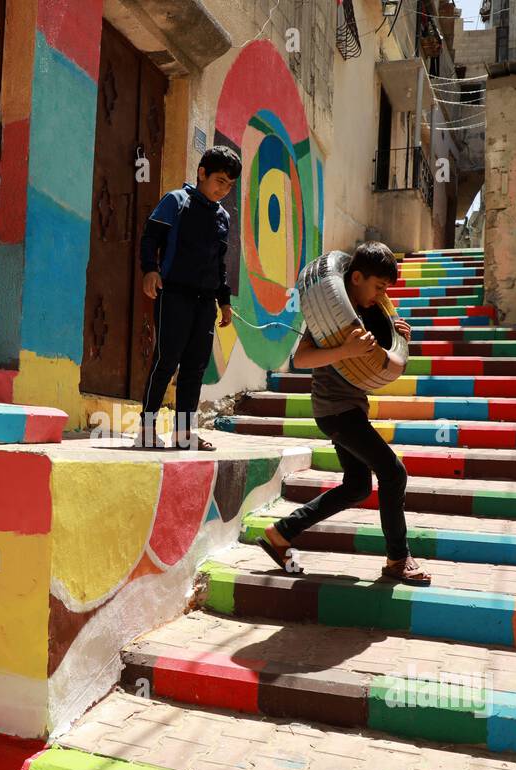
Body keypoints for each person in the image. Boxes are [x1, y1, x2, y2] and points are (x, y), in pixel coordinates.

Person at [258, 241, 432, 584]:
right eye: (378, 287)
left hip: (350, 409)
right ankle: (398, 558)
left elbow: (386, 356)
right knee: (393, 473)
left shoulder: (369, 314)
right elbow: (301, 360)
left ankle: (281, 534)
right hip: (335, 411)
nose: (381, 296)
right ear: (355, 277)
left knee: (356, 486)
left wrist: (396, 334)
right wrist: (345, 349)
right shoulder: (331, 312)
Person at [136, 145, 240, 451]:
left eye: (229, 185)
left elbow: (219, 263)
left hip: (205, 302)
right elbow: (150, 236)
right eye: (219, 181)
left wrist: (224, 301)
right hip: (174, 294)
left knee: (195, 367)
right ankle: (146, 428)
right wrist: (150, 270)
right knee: (166, 361)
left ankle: (183, 435)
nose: (223, 190)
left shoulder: (222, 217)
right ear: (202, 173)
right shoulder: (175, 201)